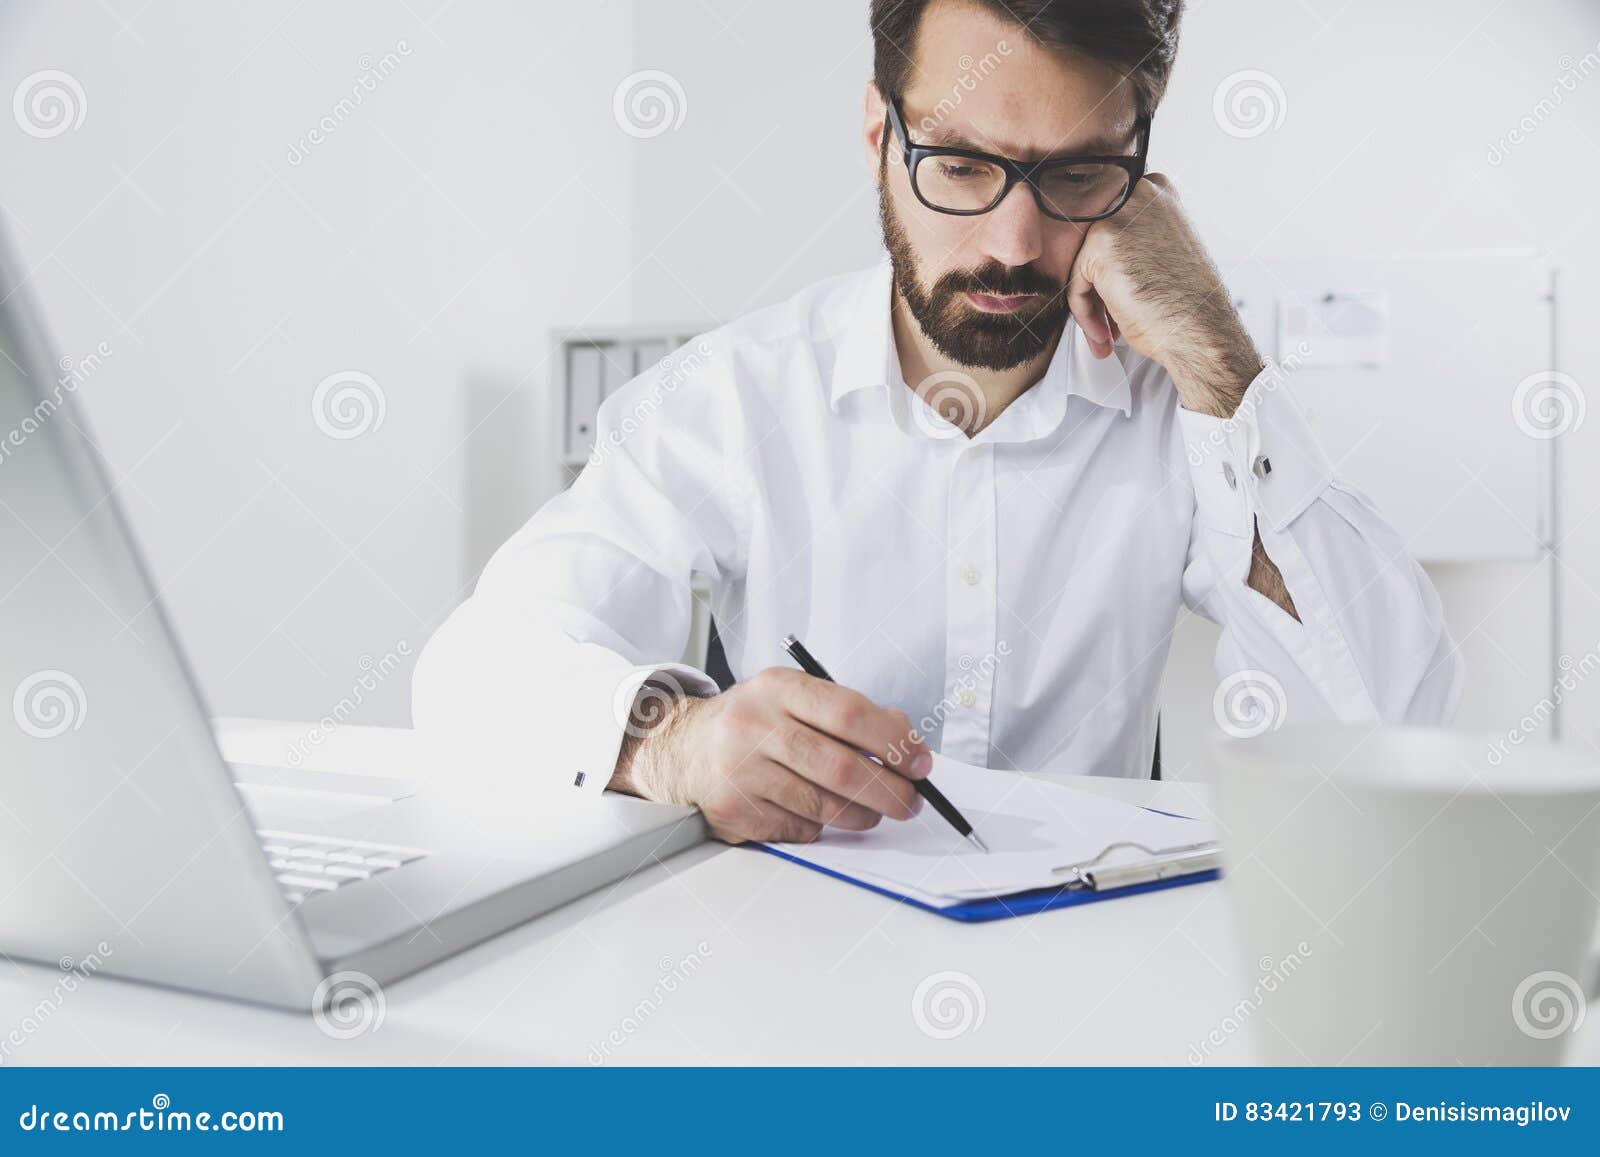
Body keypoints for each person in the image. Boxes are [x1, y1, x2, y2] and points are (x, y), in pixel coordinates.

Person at [413, 0, 1463, 844]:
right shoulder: (733, 398)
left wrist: (1217, 355)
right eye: (961, 165)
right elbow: (473, 673)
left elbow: (1387, 726)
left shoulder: (1186, 413)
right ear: (881, 135)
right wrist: (676, 742)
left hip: (1093, 980)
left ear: (1139, 170)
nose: (1013, 242)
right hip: (787, 980)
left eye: (1075, 174)